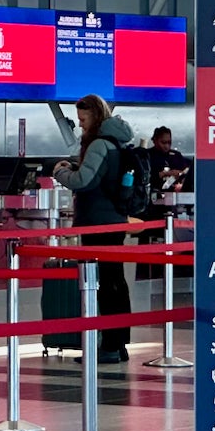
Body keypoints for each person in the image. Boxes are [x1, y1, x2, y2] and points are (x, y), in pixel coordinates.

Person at [51, 95, 134, 364]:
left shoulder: (98, 144)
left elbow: (84, 181)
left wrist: (61, 173)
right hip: (115, 218)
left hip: (97, 222)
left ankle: (109, 345)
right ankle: (118, 343)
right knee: (115, 282)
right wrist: (77, 166)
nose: (80, 124)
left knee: (101, 283)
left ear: (95, 117)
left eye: (83, 119)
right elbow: (101, 175)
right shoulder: (116, 142)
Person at [146, 126, 190, 191]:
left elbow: (186, 171)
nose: (167, 146)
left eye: (169, 142)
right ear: (155, 140)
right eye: (163, 143)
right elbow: (144, 178)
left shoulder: (176, 155)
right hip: (153, 192)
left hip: (175, 192)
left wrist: (182, 179)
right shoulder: (146, 156)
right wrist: (166, 173)